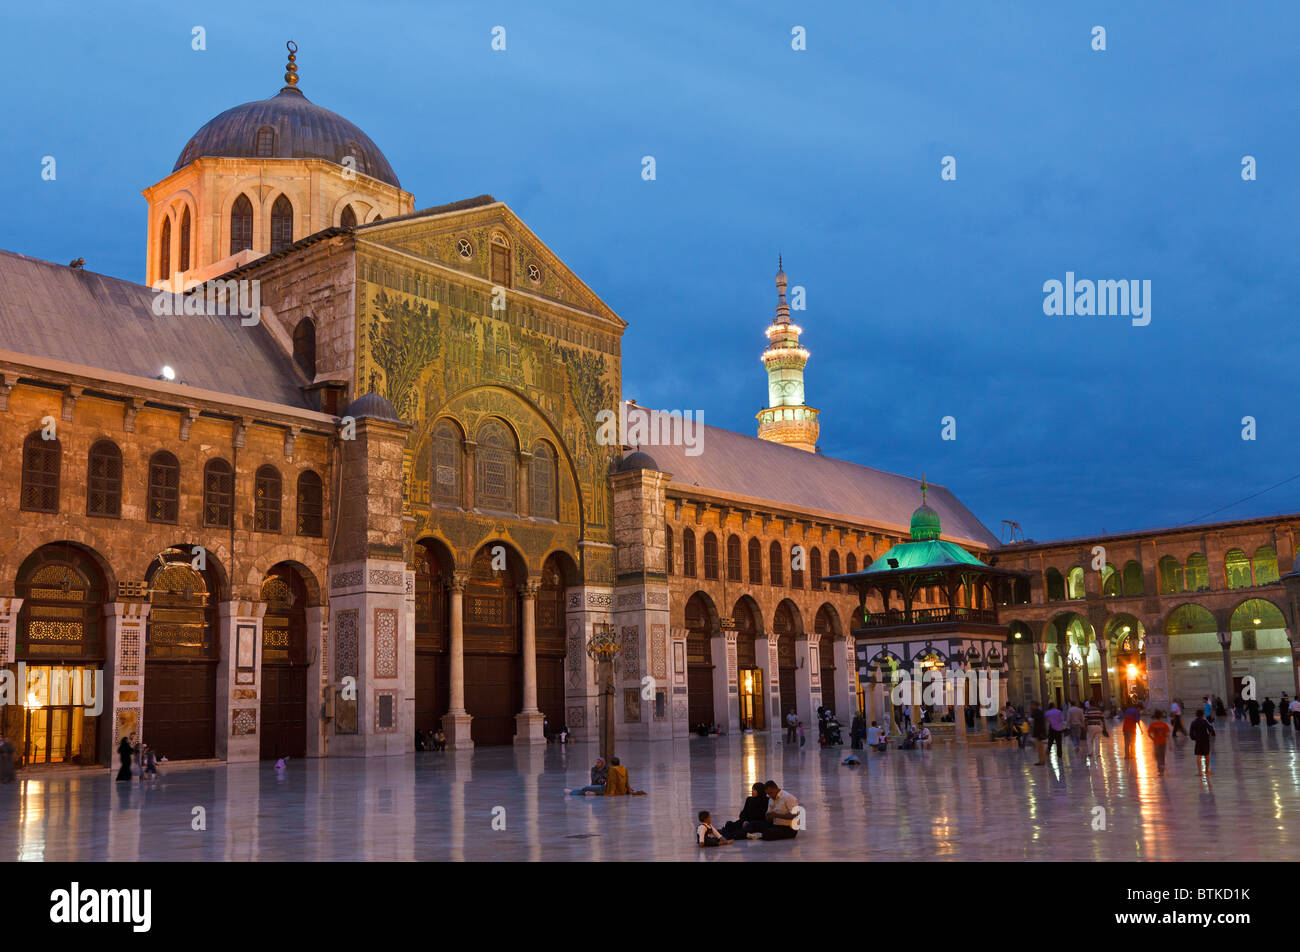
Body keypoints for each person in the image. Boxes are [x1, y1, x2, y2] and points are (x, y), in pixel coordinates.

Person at [1189, 710, 1215, 776]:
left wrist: (1194, 738)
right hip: (1205, 740)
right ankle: (1206, 770)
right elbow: (1211, 728)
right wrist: (1210, 734)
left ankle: (1200, 772)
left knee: (1199, 756)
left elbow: (1191, 733)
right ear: (1203, 715)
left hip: (1198, 740)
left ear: (1196, 715)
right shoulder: (1205, 721)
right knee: (1207, 755)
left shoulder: (1193, 722)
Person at [1147, 710, 1171, 775]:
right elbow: (1168, 735)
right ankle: (1162, 770)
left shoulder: (1152, 724)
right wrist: (1170, 744)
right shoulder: (1164, 724)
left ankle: (1160, 769)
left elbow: (1149, 734)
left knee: (1157, 756)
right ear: (1161, 717)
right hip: (1163, 742)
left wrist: (1153, 739)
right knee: (1162, 756)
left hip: (1156, 743)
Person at [1030, 700, 1047, 765]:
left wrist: (1041, 732)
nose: (1031, 706)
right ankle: (1041, 760)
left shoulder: (1037, 712)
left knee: (1040, 747)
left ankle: (1041, 761)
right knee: (1040, 747)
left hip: (1039, 732)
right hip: (1039, 732)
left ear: (1035, 705)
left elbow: (1038, 722)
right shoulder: (1038, 712)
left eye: (1032, 705)